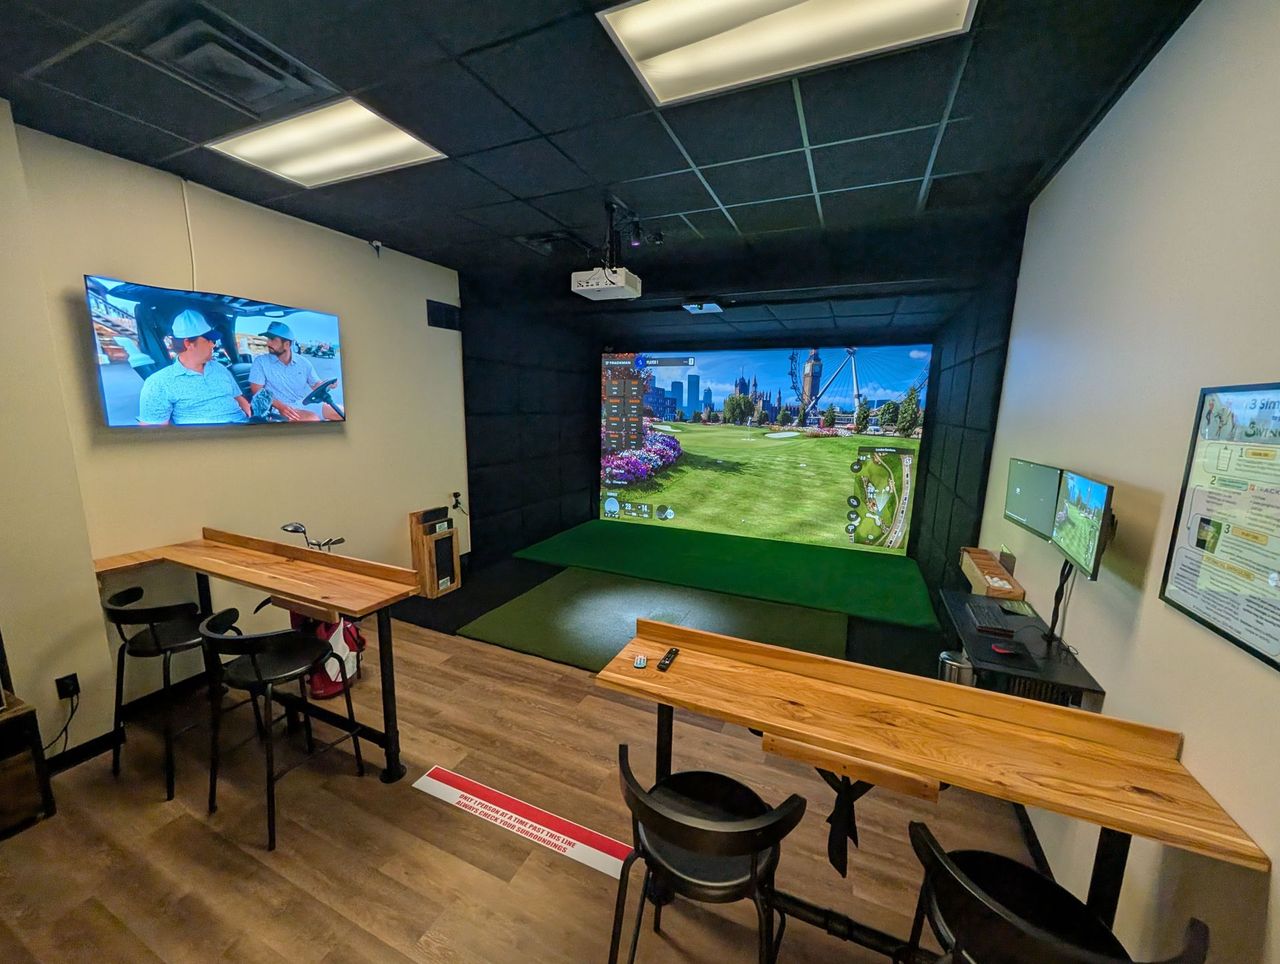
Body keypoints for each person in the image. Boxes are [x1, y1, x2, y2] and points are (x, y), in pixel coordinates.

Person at [137, 309, 250, 425]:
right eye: (209, 339)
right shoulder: (158, 383)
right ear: (188, 343)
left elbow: (239, 398)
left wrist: (251, 419)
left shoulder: (220, 368)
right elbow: (154, 432)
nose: (213, 344)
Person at [248, 320, 342, 421]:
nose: (268, 343)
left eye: (272, 339)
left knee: (340, 412)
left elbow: (316, 384)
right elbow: (257, 390)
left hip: (303, 403)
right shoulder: (261, 362)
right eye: (268, 339)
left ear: (287, 344)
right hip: (277, 408)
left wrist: (328, 384)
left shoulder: (303, 363)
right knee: (312, 419)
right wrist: (280, 406)